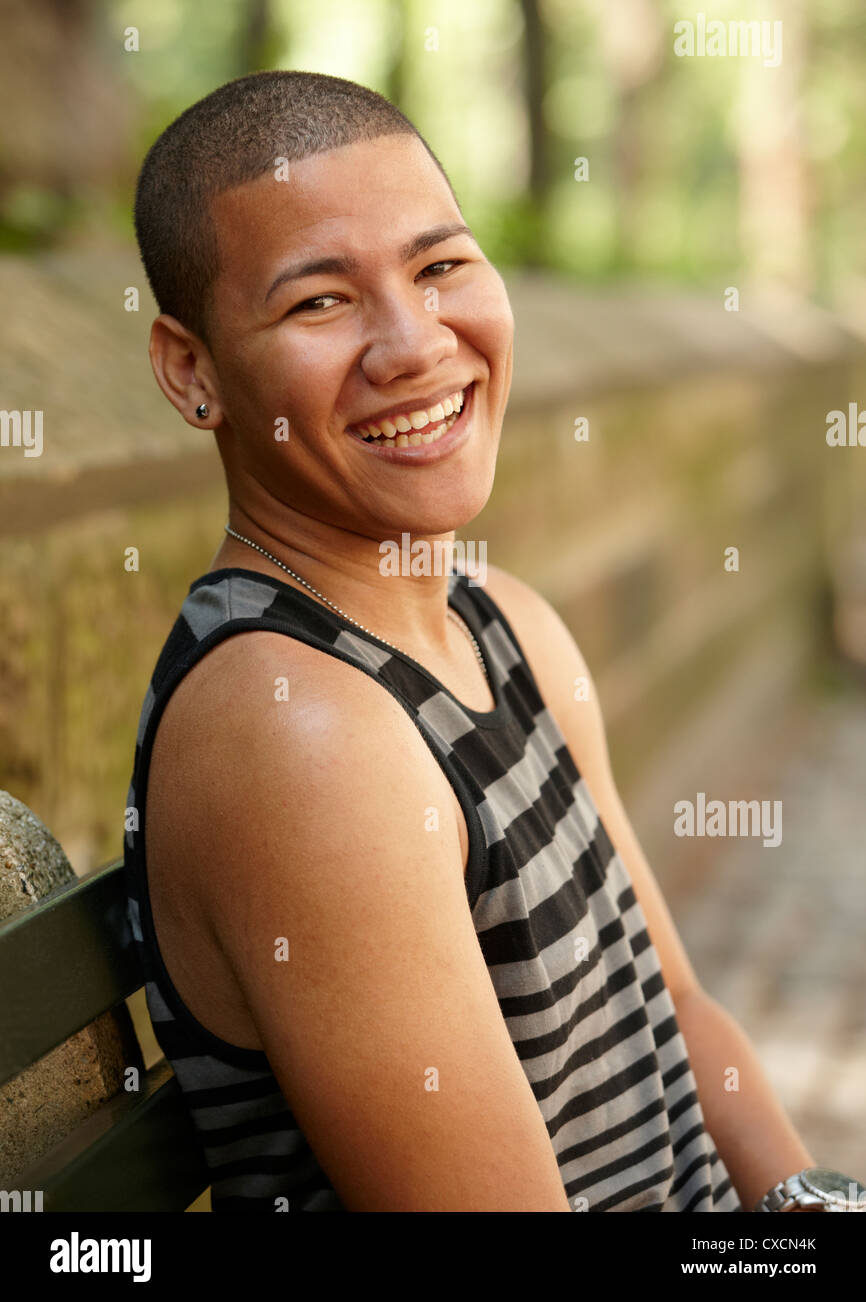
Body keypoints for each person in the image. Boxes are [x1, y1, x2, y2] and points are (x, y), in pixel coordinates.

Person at [123, 69, 822, 1214]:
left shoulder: (505, 626)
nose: (412, 344)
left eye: (439, 266)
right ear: (191, 371)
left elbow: (682, 1012)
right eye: (319, 302)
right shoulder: (300, 735)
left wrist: (808, 1208)